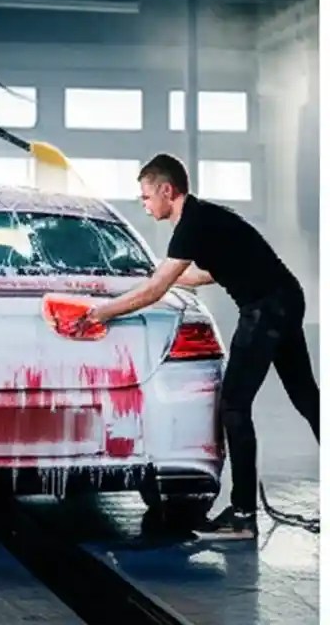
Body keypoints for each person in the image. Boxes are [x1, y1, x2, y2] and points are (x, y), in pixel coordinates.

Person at [74, 153, 319, 539]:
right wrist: (152, 277)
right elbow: (204, 272)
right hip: (284, 298)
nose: (144, 203)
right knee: (307, 397)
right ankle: (242, 513)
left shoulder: (191, 224)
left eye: (145, 196)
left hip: (265, 308)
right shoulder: (204, 218)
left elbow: (156, 290)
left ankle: (242, 516)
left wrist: (102, 313)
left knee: (234, 407)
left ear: (166, 191)